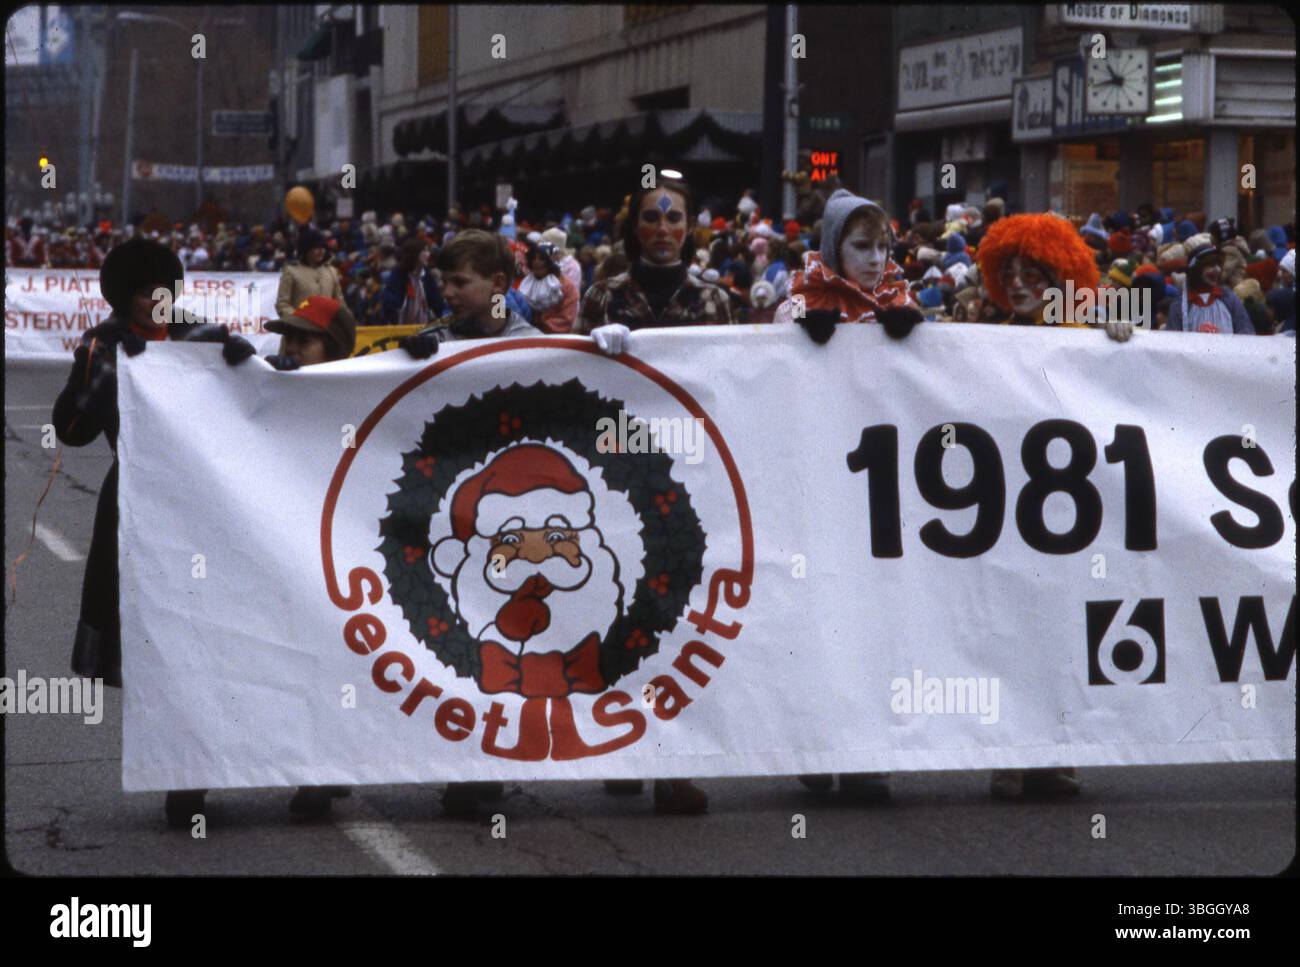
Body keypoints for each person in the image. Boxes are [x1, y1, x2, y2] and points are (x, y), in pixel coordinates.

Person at [50, 237, 268, 829]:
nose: (161, 301)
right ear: (126, 297)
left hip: (208, 508)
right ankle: (181, 767)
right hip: (140, 505)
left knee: (207, 634)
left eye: (169, 289)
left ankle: (197, 769)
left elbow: (268, 402)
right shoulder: (103, 345)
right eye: (149, 292)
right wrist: (93, 376)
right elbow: (70, 431)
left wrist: (248, 363)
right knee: (157, 640)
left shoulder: (205, 339)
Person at [576, 175, 730, 815]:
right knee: (620, 608)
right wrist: (595, 344)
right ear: (632, 226)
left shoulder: (716, 299)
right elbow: (575, 384)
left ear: (690, 226)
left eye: (674, 217)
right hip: (620, 471)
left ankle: (674, 761)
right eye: (651, 217)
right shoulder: (603, 295)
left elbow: (731, 383)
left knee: (681, 613)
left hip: (691, 472)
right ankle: (621, 749)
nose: (663, 228)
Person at [974, 212, 1136, 797]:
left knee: (1065, 628)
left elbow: (1135, 333)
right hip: (1004, 510)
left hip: (1073, 514)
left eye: (1032, 272)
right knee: (1009, 630)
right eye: (1009, 272)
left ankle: (1056, 754)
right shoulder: (979, 330)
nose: (1017, 284)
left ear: (1059, 273)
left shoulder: (1085, 324)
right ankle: (1009, 756)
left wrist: (1116, 329)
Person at [1165, 240, 1254, 334]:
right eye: (1210, 265)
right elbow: (1173, 342)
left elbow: (1246, 333)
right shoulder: (1180, 306)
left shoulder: (1229, 299)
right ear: (1196, 270)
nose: (1217, 270)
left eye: (1219, 265)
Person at [275, 226, 343, 319]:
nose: (320, 250)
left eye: (323, 247)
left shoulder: (331, 271)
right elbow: (282, 304)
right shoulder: (291, 271)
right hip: (300, 330)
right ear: (306, 249)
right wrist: (299, 320)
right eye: (315, 247)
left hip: (326, 330)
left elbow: (340, 304)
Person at [379, 237, 446, 326]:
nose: (428, 254)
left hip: (423, 328)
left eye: (428, 251)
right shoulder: (399, 274)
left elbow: (437, 303)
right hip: (401, 328)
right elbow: (389, 301)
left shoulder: (426, 275)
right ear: (414, 254)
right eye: (424, 251)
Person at [520, 241, 580, 333]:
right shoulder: (526, 284)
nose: (536, 261)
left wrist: (538, 326)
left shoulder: (565, 286)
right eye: (534, 258)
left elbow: (566, 319)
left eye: (541, 258)